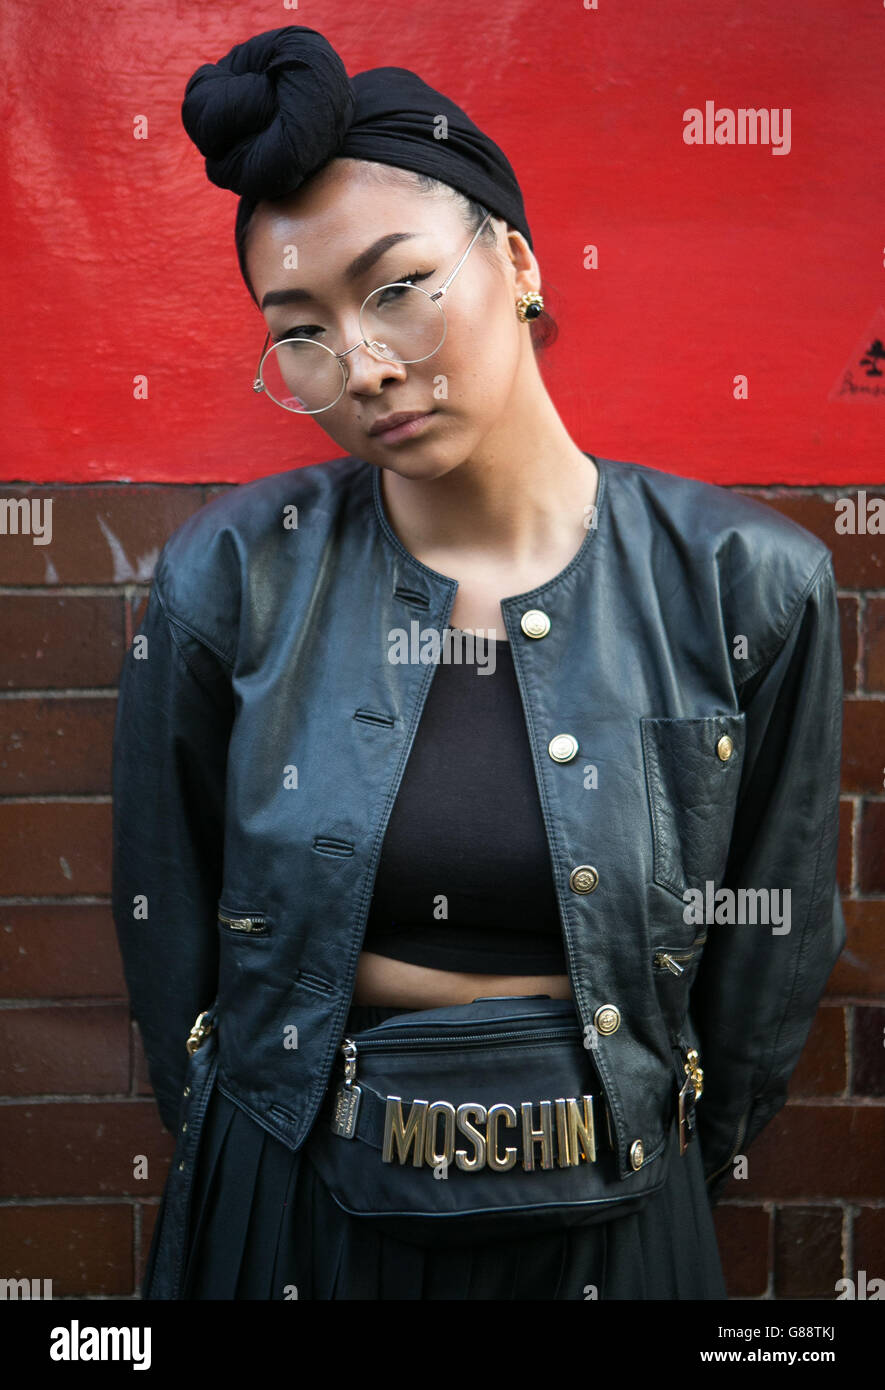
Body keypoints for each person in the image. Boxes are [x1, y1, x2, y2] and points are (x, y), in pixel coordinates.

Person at [111, 25, 845, 1301]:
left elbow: (768, 961)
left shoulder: (747, 583)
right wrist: (250, 1148)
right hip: (289, 1209)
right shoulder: (229, 578)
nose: (368, 364)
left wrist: (665, 1169)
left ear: (514, 259)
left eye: (397, 286)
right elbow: (169, 921)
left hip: (610, 1213)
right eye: (305, 332)